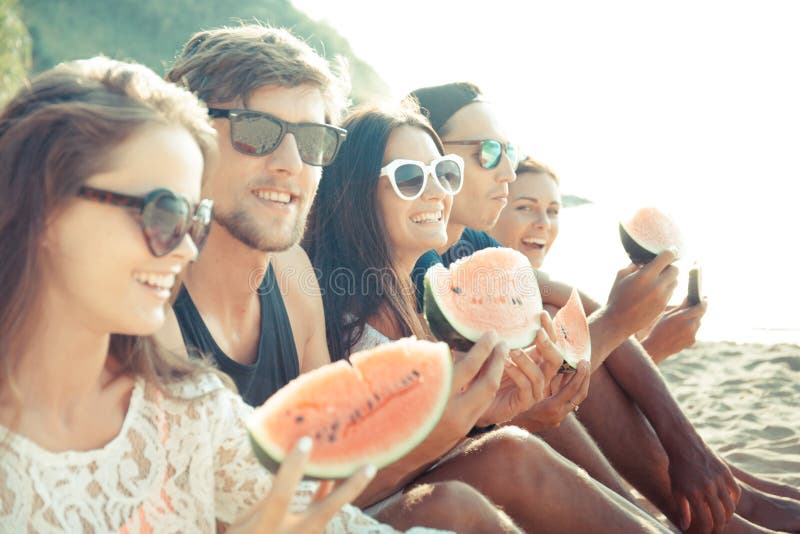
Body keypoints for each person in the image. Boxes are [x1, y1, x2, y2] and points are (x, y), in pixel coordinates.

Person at [0, 56, 418, 533]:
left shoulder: (189, 409)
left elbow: (337, 520)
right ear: (44, 206)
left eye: (191, 217)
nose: (183, 247)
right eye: (160, 213)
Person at [160, 24, 524, 532]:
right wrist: (435, 437)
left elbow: (322, 479)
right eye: (256, 130)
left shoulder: (293, 277)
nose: (290, 164)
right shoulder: (155, 319)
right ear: (190, 139)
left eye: (312, 140)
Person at [410, 81, 800, 533]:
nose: (507, 171)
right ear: (432, 160)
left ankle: (729, 503)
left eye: (509, 153)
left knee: (560, 327)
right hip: (461, 449)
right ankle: (692, 511)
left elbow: (578, 304)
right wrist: (621, 322)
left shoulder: (476, 245)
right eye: (488, 152)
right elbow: (486, 396)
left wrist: (685, 441)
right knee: (553, 342)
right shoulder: (416, 263)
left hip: (518, 419)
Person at [304, 101, 675, 533]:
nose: (437, 191)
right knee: (509, 453)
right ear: (352, 190)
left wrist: (499, 413)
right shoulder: (332, 309)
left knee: (510, 448)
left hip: (406, 487)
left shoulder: (410, 301)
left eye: (445, 173)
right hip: (353, 508)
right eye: (408, 178)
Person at [488, 156, 708, 363]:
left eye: (553, 211)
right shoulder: (510, 308)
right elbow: (565, 396)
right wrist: (652, 348)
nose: (544, 223)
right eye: (525, 207)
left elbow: (576, 375)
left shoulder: (547, 295)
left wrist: (634, 330)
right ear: (489, 211)